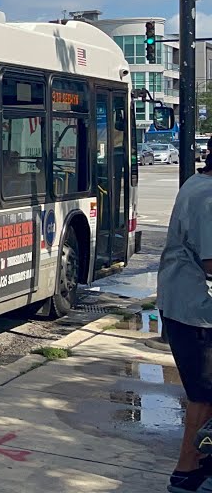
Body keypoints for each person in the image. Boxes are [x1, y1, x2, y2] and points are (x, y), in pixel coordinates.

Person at [158, 139, 212, 492]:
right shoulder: (207, 198)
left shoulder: (197, 184)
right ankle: (188, 472)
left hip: (187, 307)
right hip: (197, 314)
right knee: (204, 394)